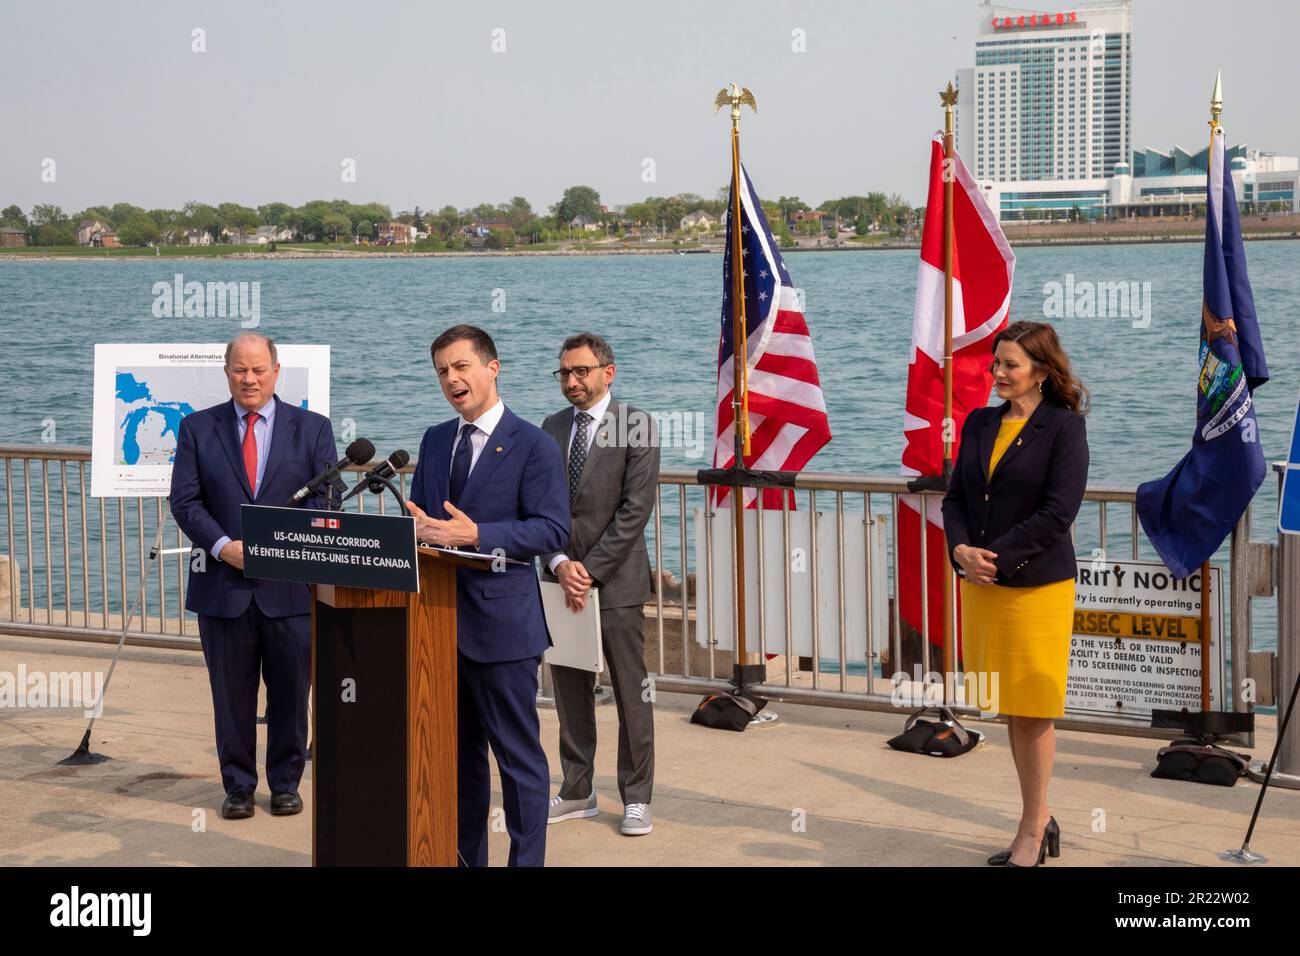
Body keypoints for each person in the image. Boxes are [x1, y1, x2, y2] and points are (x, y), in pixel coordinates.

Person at [404, 324, 568, 867]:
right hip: (436, 627)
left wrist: (476, 534)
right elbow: (424, 520)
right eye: (442, 372)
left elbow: (551, 531)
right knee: (457, 762)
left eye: (461, 367)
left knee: (518, 761)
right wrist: (420, 531)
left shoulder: (534, 445)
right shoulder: (433, 440)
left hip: (503, 630)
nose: (452, 379)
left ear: (492, 368)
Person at [169, 332, 339, 820]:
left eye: (259, 369)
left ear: (276, 371)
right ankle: (238, 787)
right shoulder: (198, 428)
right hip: (222, 589)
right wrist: (225, 548)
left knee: (291, 694)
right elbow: (185, 500)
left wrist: (277, 547)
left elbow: (329, 500)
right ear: (227, 373)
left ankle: (286, 783)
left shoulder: (312, 428)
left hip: (288, 591)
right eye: (240, 369)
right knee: (231, 697)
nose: (250, 378)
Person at [941, 320, 1089, 867]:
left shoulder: (1064, 428)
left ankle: (1033, 827)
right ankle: (1037, 816)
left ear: (1042, 372)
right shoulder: (979, 423)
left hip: (1035, 589)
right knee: (1010, 710)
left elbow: (1059, 512)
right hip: (982, 586)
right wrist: (961, 551)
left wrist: (993, 556)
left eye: (1010, 365)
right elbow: (954, 499)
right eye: (996, 363)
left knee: (1033, 706)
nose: (997, 373)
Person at [540, 332, 660, 837]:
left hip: (617, 584)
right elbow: (540, 507)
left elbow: (635, 512)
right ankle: (576, 790)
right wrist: (561, 563)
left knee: (633, 693)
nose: (572, 381)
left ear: (608, 372)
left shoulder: (637, 425)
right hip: (561, 580)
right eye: (564, 373)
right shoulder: (550, 427)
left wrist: (589, 571)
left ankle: (636, 798)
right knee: (569, 692)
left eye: (581, 371)